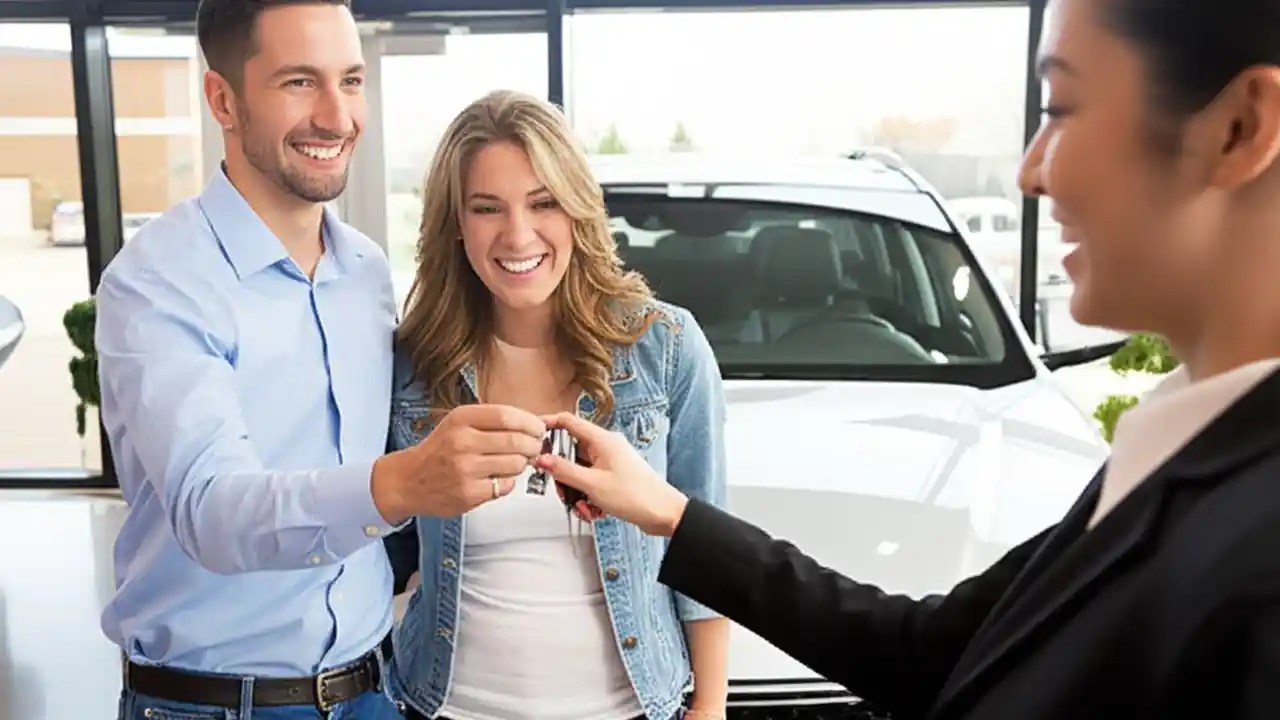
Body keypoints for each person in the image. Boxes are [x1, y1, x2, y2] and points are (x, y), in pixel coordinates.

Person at [534, 0, 1280, 717]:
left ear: (1239, 129)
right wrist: (671, 513)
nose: (1029, 172)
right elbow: (928, 653)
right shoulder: (1168, 453)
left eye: (1060, 108)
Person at [95, 3, 545, 719]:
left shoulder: (366, 271)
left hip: (372, 691)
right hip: (214, 707)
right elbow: (211, 511)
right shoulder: (157, 283)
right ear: (223, 100)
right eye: (299, 82)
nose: (337, 117)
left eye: (351, 80)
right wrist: (402, 484)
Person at [380, 89, 731, 720]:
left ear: (577, 210)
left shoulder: (665, 349)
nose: (518, 235)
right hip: (443, 709)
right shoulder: (412, 363)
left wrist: (710, 707)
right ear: (455, 225)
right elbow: (380, 545)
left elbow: (705, 548)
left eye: (543, 203)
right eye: (487, 208)